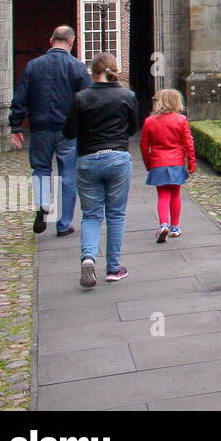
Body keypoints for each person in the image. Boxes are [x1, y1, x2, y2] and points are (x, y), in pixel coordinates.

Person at [63, 53, 139, 287]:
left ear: (92, 72)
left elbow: (69, 132)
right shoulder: (127, 95)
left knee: (91, 215)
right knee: (115, 215)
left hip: (88, 159)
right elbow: (134, 128)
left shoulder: (81, 98)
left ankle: (88, 259)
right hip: (117, 157)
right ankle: (114, 268)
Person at [8, 25, 91, 237]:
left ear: (50, 40)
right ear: (71, 43)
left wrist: (16, 126)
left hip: (40, 129)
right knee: (68, 176)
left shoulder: (32, 66)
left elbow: (20, 98)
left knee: (41, 169)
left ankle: (43, 203)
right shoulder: (78, 68)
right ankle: (63, 224)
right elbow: (87, 103)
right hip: (68, 131)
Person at [140, 88, 196, 243]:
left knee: (163, 195)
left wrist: (148, 164)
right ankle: (175, 227)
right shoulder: (181, 120)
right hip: (176, 162)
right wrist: (191, 163)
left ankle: (163, 225)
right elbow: (188, 144)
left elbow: (144, 146)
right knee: (175, 194)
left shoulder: (149, 121)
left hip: (158, 162)